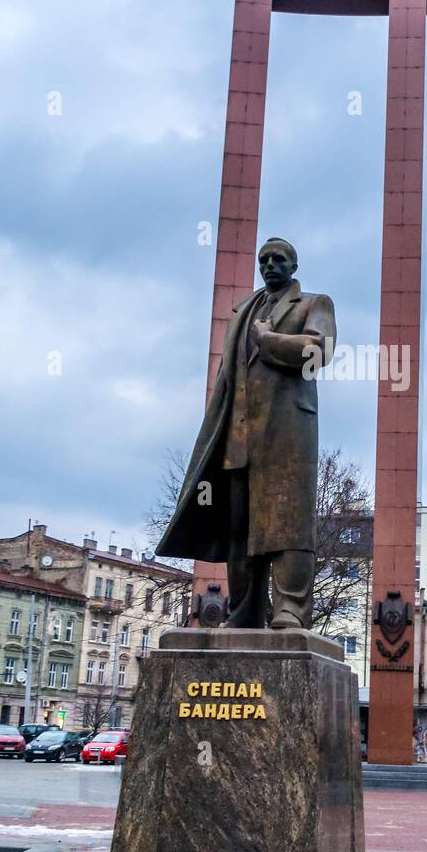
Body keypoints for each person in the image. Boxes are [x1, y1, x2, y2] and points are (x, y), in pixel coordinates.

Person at [156, 238, 336, 629]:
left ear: (294, 266)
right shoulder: (242, 312)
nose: (270, 265)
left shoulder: (314, 304)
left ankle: (290, 609)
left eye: (279, 259)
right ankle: (244, 610)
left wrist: (268, 341)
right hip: (239, 435)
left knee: (288, 523)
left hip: (288, 434)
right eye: (264, 259)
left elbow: (319, 352)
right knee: (242, 528)